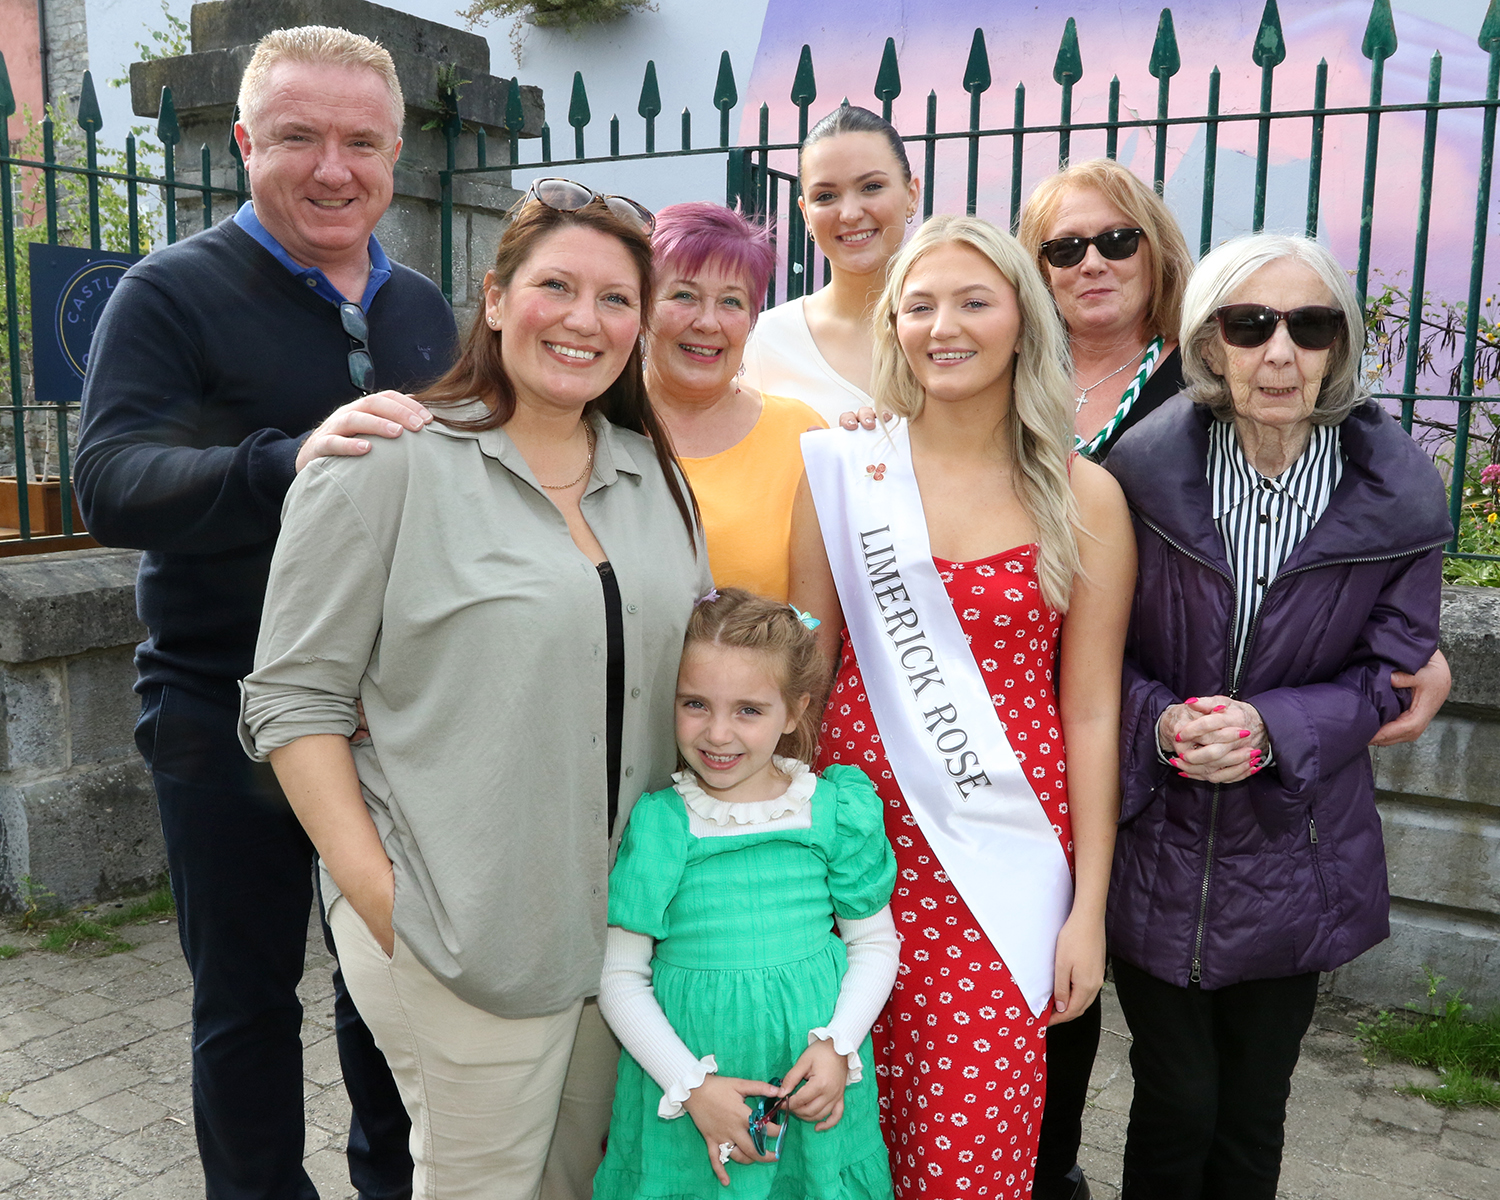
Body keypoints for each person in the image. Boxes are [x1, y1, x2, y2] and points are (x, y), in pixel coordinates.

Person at [240, 179, 710, 1199]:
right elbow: (292, 700)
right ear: (495, 299)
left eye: (617, 299)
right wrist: (383, 902)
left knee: (584, 1182)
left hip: (630, 938)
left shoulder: (655, 478)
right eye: (556, 286)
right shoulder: (387, 463)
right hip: (462, 932)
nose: (584, 319)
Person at [74, 26, 456, 1200]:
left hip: (389, 725)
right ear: (244, 142)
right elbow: (110, 483)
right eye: (299, 137)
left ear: (397, 156)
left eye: (361, 143)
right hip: (221, 712)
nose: (334, 169)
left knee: (388, 984)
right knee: (243, 1005)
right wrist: (290, 460)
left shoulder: (424, 308)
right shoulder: (169, 292)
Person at [791, 215, 1135, 1200]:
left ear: (1023, 321)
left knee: (965, 1152)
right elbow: (802, 680)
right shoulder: (842, 472)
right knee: (831, 1144)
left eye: (974, 302)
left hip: (1000, 868)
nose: (944, 327)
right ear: (893, 326)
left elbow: (1093, 715)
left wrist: (1088, 912)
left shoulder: (1084, 495)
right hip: (848, 860)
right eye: (920, 306)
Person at [1103, 233, 1450, 1198]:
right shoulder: (1138, 475)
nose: (1281, 353)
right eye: (1251, 325)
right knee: (1178, 1102)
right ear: (1209, 345)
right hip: (1158, 841)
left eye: (1311, 325)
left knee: (1254, 1113)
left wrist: (1270, 730)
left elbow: (1394, 669)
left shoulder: (1398, 493)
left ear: (1339, 345)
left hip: (1301, 850)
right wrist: (1161, 723)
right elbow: (1085, 652)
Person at [593, 588, 899, 1200]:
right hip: (691, 1090)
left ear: (794, 712)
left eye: (749, 710)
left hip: (809, 1081)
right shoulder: (661, 825)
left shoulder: (835, 811)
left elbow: (873, 943)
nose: (718, 732)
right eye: (695, 704)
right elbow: (620, 976)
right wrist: (692, 1087)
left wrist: (838, 1045)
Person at [648, 203, 826, 601]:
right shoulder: (595, 422)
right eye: (684, 295)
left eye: (731, 302)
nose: (707, 322)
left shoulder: (800, 435)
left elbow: (814, 623)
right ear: (643, 306)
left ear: (752, 320)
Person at [741, 105, 920, 424]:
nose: (849, 214)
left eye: (871, 187)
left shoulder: (954, 330)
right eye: (825, 196)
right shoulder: (761, 344)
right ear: (806, 214)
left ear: (912, 194)